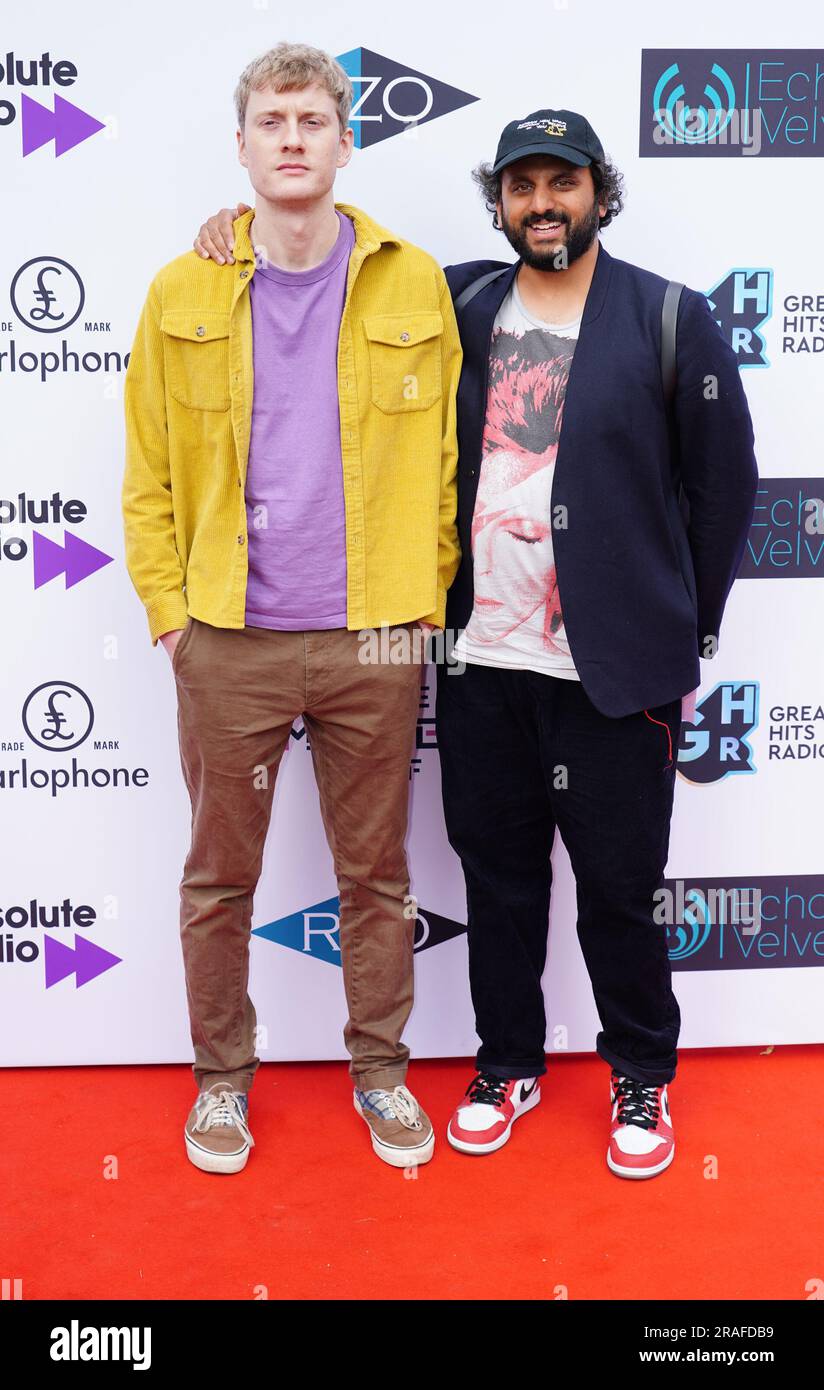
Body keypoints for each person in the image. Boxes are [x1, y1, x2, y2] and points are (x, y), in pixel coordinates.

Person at [192, 107, 759, 1180]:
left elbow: (720, 488)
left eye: (561, 184)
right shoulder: (453, 301)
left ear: (598, 190)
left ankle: (640, 1071)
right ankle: (506, 1063)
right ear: (495, 202)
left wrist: (682, 624)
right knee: (496, 881)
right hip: (476, 662)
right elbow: (330, 253)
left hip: (612, 674)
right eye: (519, 187)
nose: (541, 205)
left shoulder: (667, 317)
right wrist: (234, 225)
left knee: (619, 889)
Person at [121, 42, 462, 1175]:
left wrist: (423, 599)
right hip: (229, 638)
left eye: (313, 119)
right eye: (272, 120)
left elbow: (447, 459)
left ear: (344, 139)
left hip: (374, 632)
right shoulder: (183, 286)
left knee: (377, 877)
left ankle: (380, 1075)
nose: (292, 138)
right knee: (220, 878)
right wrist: (173, 616)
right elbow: (149, 470)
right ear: (243, 146)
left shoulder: (409, 280)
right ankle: (221, 1084)